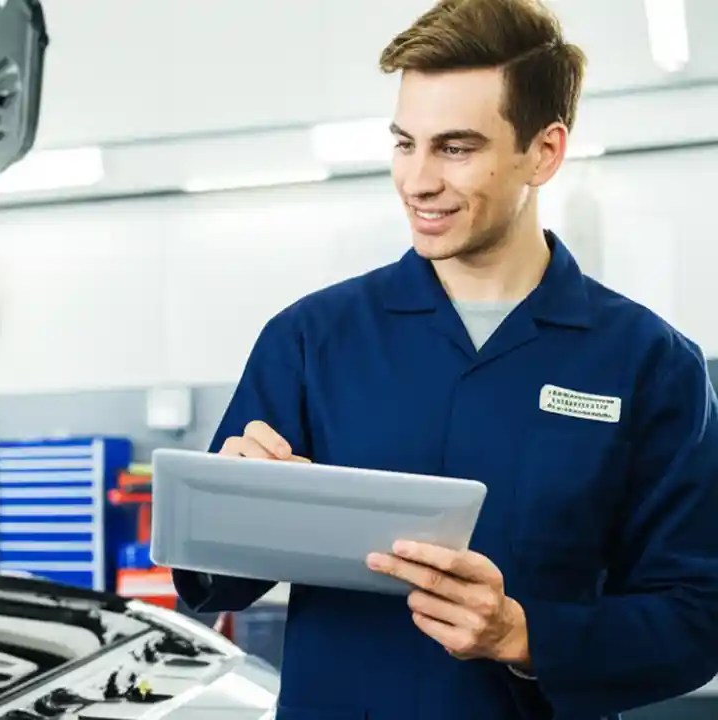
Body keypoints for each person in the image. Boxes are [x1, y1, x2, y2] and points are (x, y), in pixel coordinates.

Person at [172, 1, 718, 718]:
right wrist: (230, 510)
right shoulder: (310, 339)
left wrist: (527, 635)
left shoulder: (649, 365)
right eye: (405, 143)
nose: (417, 181)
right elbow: (216, 577)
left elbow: (696, 616)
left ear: (544, 152)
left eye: (456, 148)